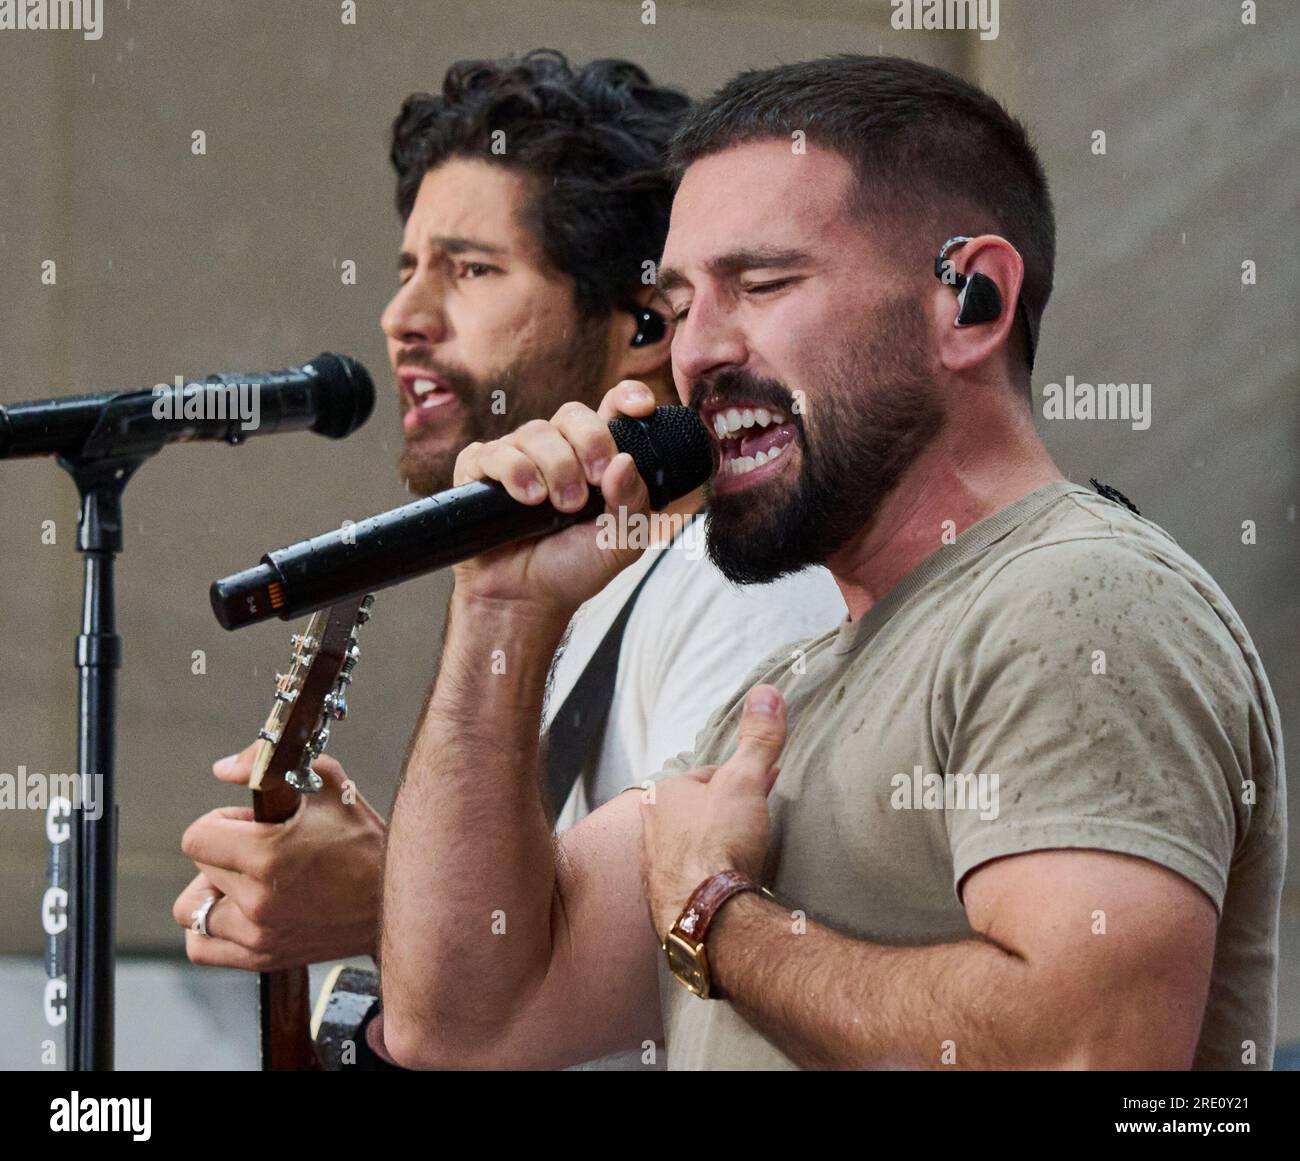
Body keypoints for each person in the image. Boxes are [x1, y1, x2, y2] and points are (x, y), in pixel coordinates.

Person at [379, 54, 1286, 1071]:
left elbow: (1083, 1049)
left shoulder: (1077, 601)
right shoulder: (786, 691)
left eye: (761, 284)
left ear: (970, 300)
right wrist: (499, 610)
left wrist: (717, 920)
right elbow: (464, 1019)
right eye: (678, 310)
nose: (697, 354)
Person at [171, 50, 845, 1070]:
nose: (403, 317)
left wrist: (382, 894)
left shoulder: (736, 590)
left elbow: (704, 972)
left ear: (643, 324)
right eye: (405, 272)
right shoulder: (574, 606)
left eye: (471, 269)